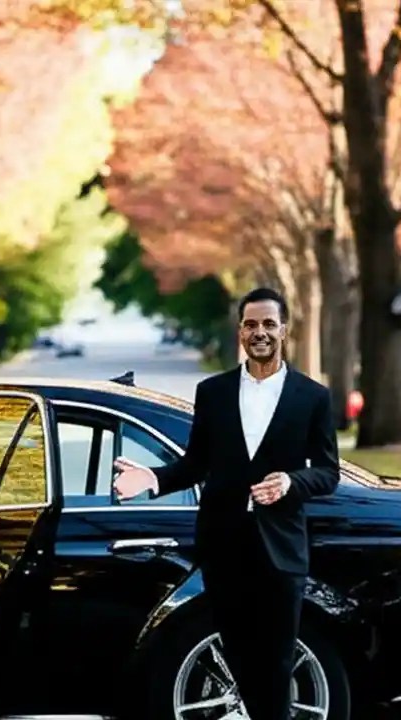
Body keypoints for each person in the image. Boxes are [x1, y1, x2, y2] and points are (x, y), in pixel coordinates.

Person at [112, 286, 340, 720]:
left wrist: (293, 482)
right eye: (251, 325)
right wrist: (152, 478)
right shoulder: (212, 392)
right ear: (240, 331)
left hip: (282, 553)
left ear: (284, 331)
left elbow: (328, 471)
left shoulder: (312, 397)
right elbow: (196, 463)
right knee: (239, 662)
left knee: (275, 664)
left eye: (269, 325)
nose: (260, 333)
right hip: (225, 550)